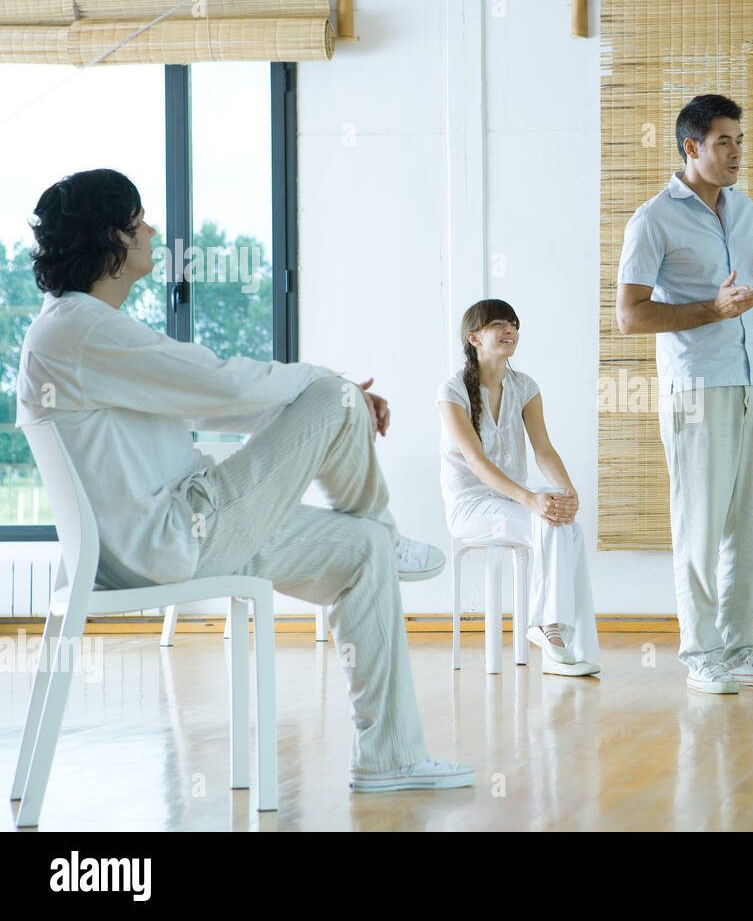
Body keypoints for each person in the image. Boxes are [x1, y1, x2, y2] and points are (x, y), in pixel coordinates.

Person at [17, 168, 472, 792]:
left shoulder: (72, 328)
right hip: (173, 536)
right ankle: (385, 528)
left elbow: (208, 402)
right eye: (140, 219)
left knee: (361, 551)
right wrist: (334, 393)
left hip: (167, 538)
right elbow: (221, 380)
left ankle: (388, 756)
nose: (152, 230)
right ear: (111, 237)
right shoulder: (80, 327)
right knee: (337, 399)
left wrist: (322, 401)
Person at [616, 93, 753, 694]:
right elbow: (629, 318)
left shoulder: (743, 211)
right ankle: (700, 653)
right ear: (691, 147)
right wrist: (712, 308)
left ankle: (740, 647)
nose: (737, 152)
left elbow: (745, 298)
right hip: (693, 387)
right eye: (724, 142)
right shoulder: (652, 219)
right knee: (699, 526)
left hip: (750, 380)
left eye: (740, 139)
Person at [436, 299, 600, 676]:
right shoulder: (452, 392)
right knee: (549, 521)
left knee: (567, 524)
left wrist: (568, 491)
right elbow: (477, 462)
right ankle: (549, 629)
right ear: (473, 338)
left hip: (510, 501)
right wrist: (531, 499)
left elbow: (544, 450)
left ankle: (561, 637)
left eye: (513, 323)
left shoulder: (524, 386)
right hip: (471, 507)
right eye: (498, 324)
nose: (509, 330)